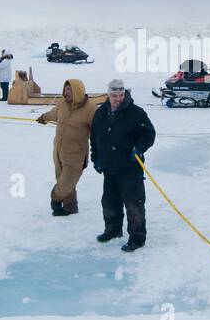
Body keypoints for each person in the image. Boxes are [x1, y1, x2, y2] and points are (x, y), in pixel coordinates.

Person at [89, 78, 156, 252]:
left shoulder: (136, 113)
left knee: (134, 204)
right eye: (114, 95)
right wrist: (95, 158)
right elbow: (94, 138)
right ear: (108, 95)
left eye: (121, 94)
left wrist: (139, 148)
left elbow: (149, 134)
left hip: (130, 168)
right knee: (109, 202)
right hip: (109, 167)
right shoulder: (100, 113)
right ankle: (112, 229)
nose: (118, 98)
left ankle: (137, 237)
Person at [36, 78, 97, 216]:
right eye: (65, 89)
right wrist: (44, 117)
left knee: (65, 183)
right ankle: (70, 207)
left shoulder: (90, 109)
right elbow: (54, 113)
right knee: (61, 178)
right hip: (58, 150)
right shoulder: (62, 104)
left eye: (69, 89)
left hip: (76, 155)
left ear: (78, 90)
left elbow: (97, 131)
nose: (66, 92)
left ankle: (55, 198)